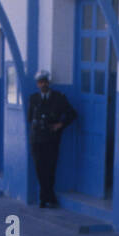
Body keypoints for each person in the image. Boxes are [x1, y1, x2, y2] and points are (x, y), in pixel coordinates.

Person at [27, 70, 76, 207]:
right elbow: (30, 118)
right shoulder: (33, 99)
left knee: (50, 168)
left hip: (51, 138)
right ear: (37, 84)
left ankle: (46, 197)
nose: (43, 84)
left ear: (49, 82)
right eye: (40, 82)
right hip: (36, 139)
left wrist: (60, 125)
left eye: (45, 81)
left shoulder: (59, 98)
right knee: (39, 168)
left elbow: (72, 114)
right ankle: (47, 196)